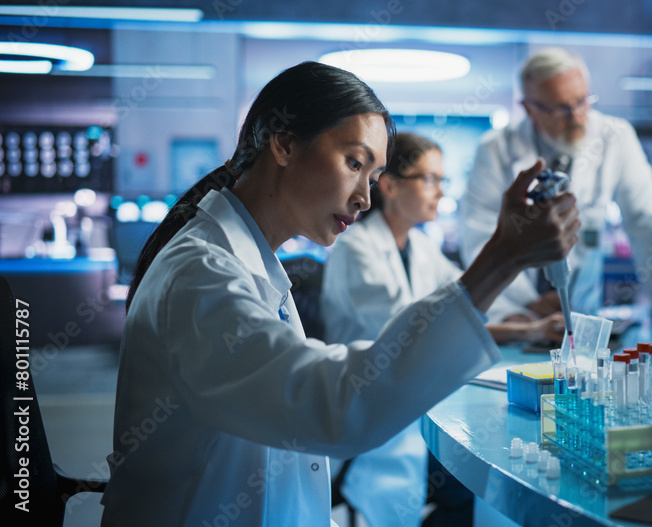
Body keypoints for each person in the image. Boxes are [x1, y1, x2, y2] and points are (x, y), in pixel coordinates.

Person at [100, 62, 579, 526]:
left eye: (372, 178)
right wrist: (502, 258)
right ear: (284, 143)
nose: (365, 199)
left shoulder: (250, 264)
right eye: (354, 163)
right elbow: (336, 406)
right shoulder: (199, 276)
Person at [319, 132, 565, 527]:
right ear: (391, 185)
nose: (439, 191)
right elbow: (420, 328)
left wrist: (529, 312)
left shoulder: (420, 247)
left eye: (443, 180)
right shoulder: (357, 248)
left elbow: (467, 295)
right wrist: (530, 329)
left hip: (413, 401)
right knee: (476, 482)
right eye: (429, 179)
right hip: (376, 416)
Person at [461, 47, 652, 327]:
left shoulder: (615, 137)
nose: (577, 117)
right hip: (512, 312)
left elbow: (646, 223)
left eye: (581, 102)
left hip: (581, 312)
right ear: (529, 108)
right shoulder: (495, 149)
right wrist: (527, 303)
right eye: (561, 108)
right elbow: (479, 235)